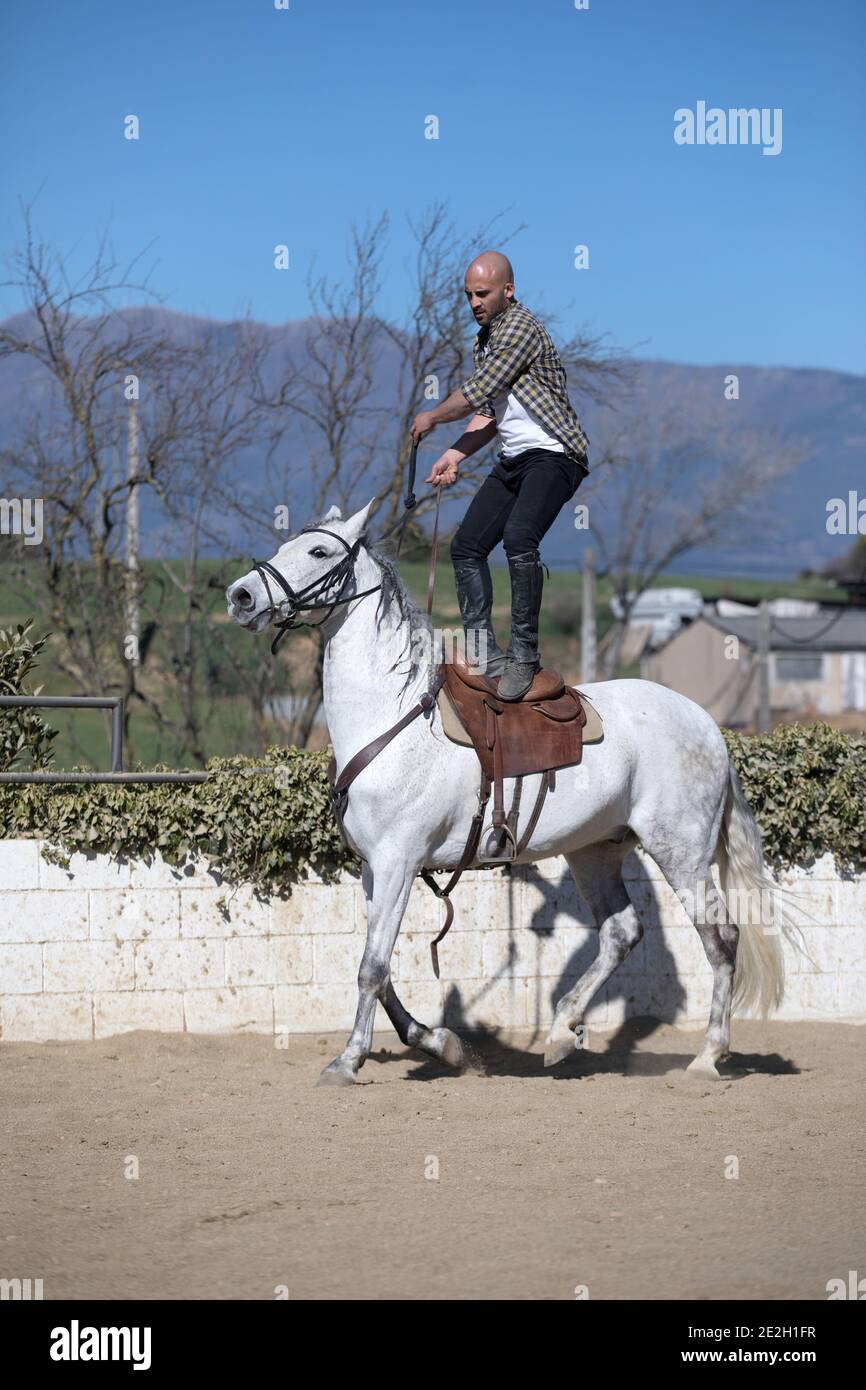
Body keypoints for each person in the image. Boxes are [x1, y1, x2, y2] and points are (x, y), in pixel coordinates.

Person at [410, 251, 590, 700]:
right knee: (467, 546)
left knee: (519, 537)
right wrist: (454, 453)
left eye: (483, 293)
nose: (474, 302)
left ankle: (524, 655)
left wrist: (433, 417)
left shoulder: (520, 329)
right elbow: (490, 414)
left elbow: (477, 393)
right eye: (469, 294)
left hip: (555, 454)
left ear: (508, 290)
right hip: (515, 458)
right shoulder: (484, 341)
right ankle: (482, 650)